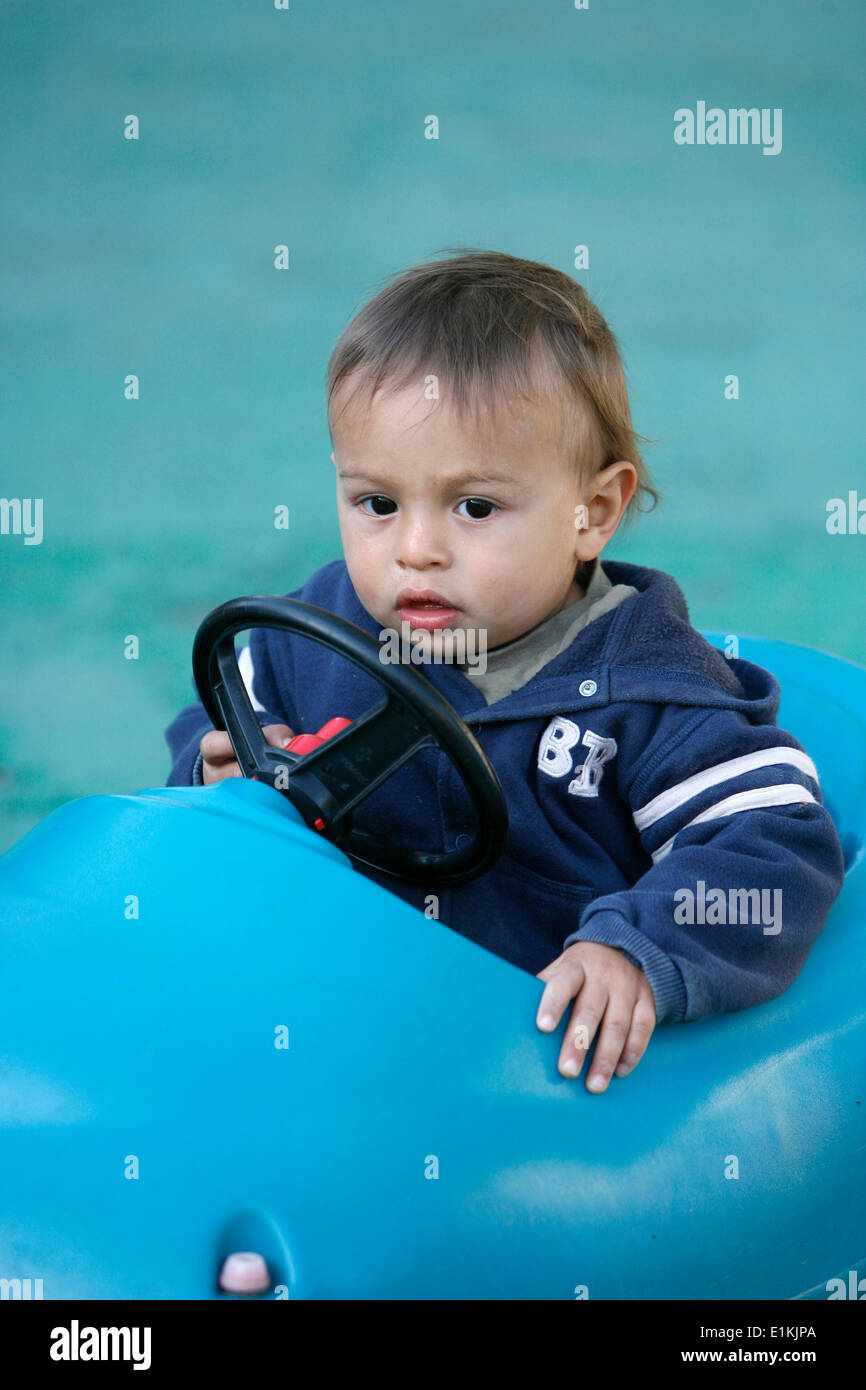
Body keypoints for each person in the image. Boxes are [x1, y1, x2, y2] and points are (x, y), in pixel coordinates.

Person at [165, 249, 845, 1094]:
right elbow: (221, 713)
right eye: (377, 503)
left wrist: (639, 948)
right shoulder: (317, 632)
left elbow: (777, 847)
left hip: (518, 1087)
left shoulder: (655, 696)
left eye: (475, 507)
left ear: (592, 513)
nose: (416, 551)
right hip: (334, 1021)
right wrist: (215, 760)